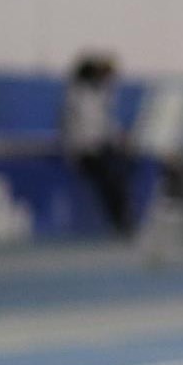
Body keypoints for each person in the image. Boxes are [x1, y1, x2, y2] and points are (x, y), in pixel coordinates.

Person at [62, 51, 134, 235]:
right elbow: (77, 132)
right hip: (85, 153)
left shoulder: (102, 96)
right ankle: (119, 222)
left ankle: (125, 219)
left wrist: (119, 142)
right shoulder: (76, 97)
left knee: (123, 169)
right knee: (110, 177)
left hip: (102, 150)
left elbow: (107, 127)